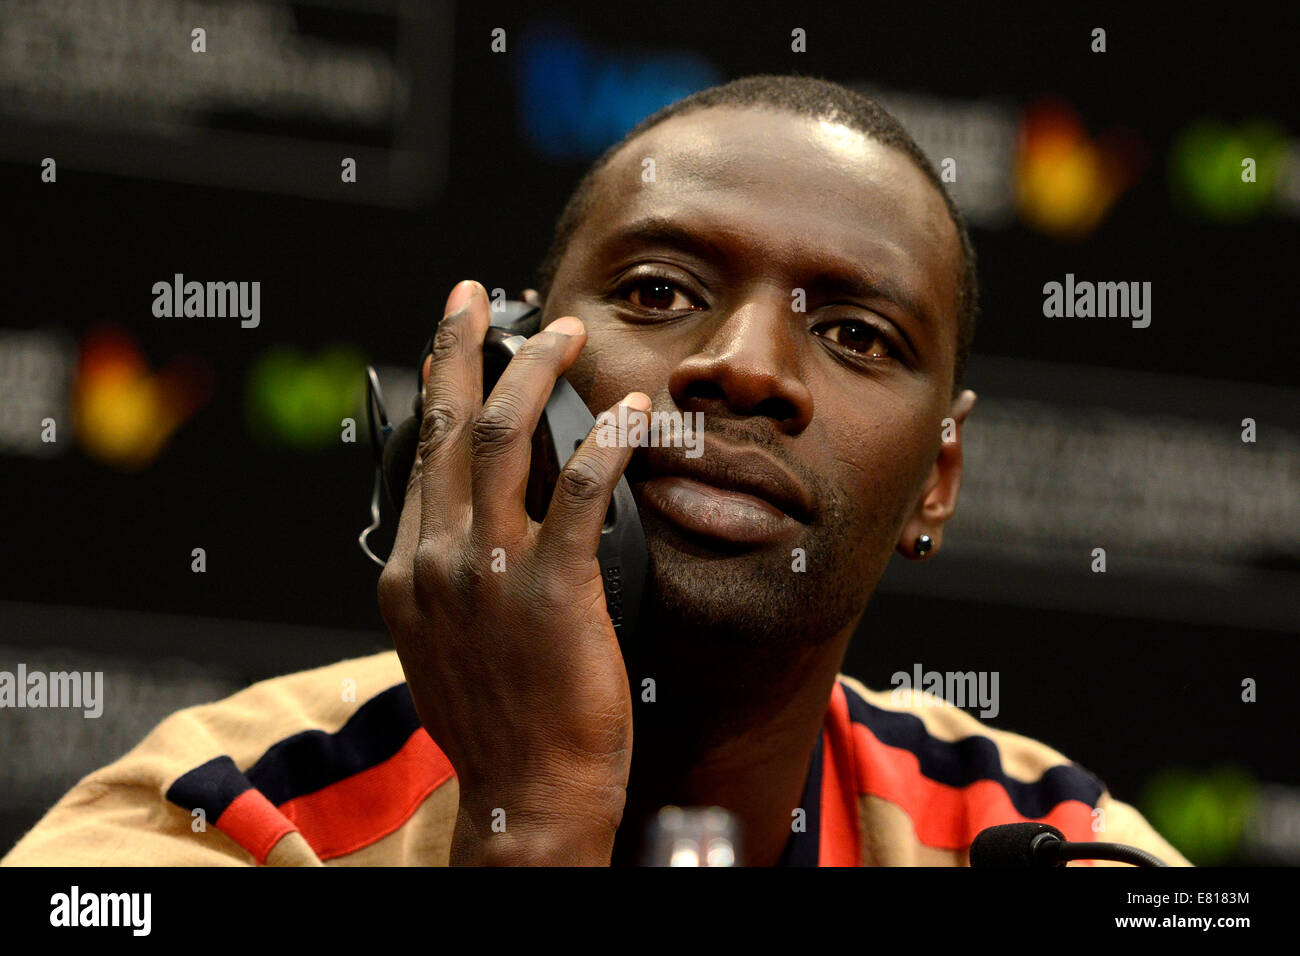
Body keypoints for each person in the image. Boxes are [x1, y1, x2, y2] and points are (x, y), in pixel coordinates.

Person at [2, 75, 1188, 867]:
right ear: (503, 370)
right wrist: (541, 819)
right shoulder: (215, 812)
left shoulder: (1058, 839)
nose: (744, 368)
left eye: (855, 335)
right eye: (659, 293)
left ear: (938, 475)